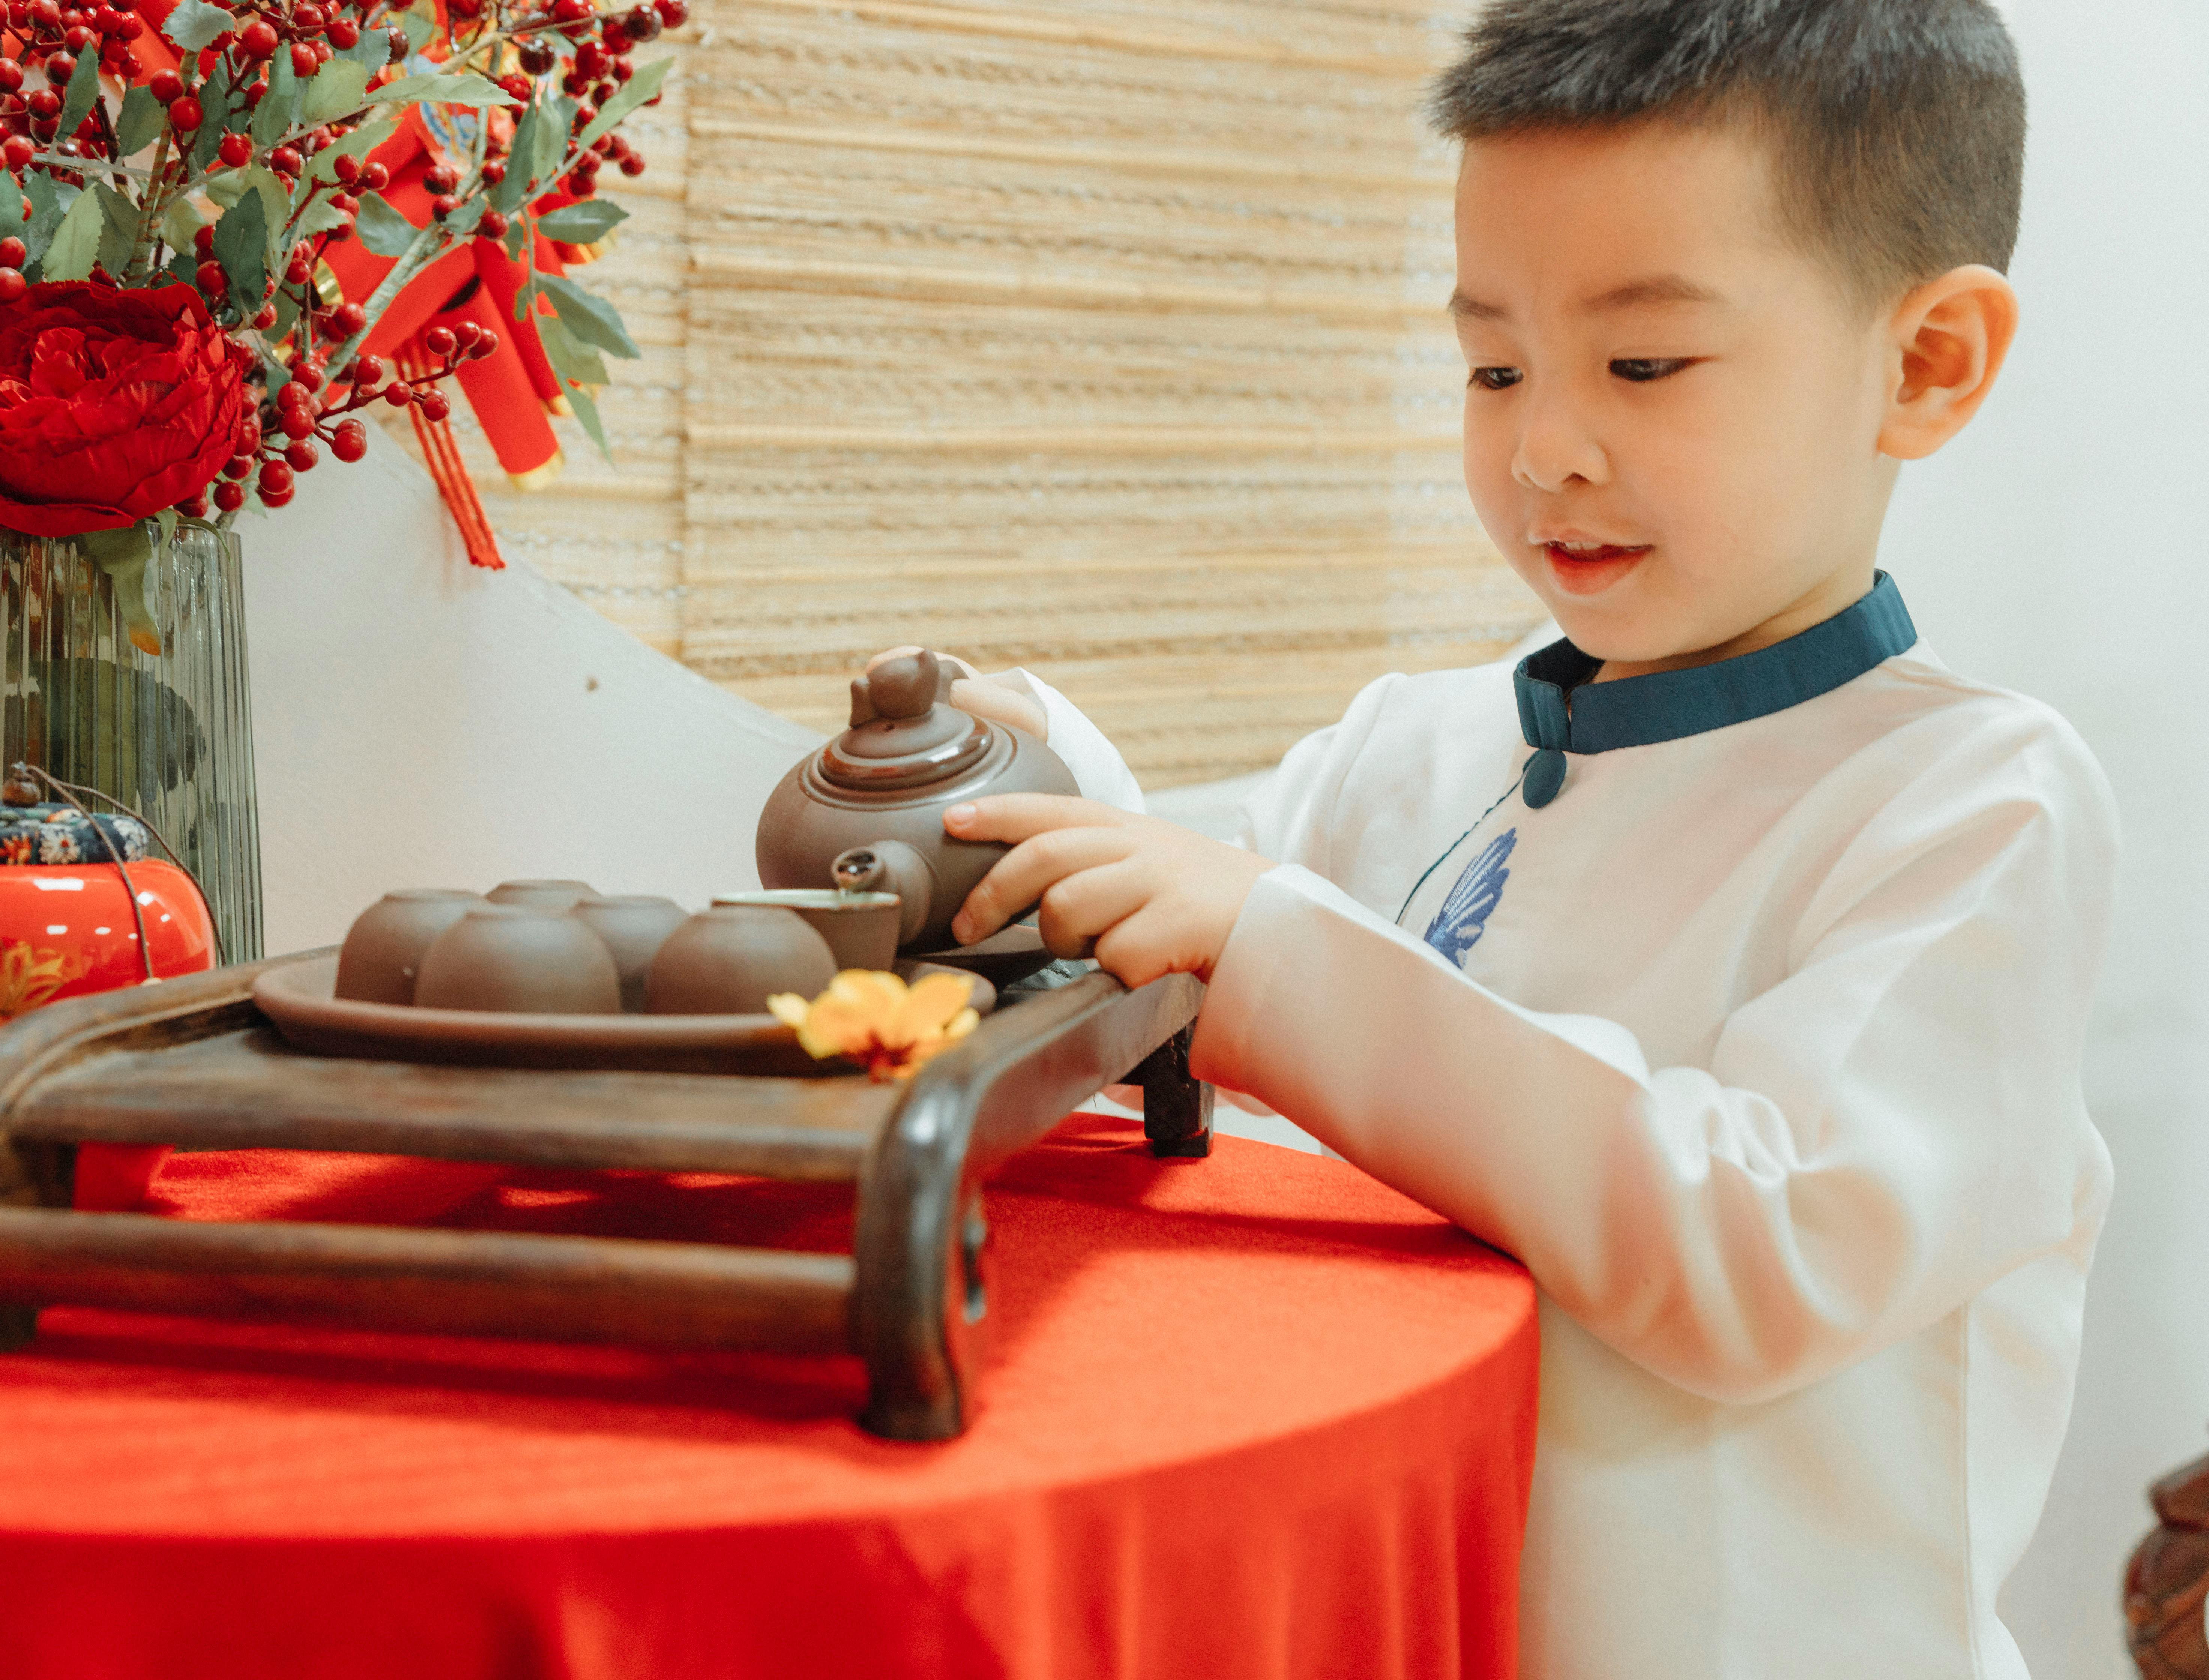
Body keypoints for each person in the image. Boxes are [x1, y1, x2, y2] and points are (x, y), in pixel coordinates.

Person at [899, 2, 2117, 1674]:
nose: (1545, 445)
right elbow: (1214, 989)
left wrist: (1260, 948)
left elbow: (1758, 1249)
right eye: (1494, 364)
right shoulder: (1404, 750)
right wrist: (1035, 791)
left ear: (1926, 363)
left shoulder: (1972, 803)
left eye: (1643, 363)